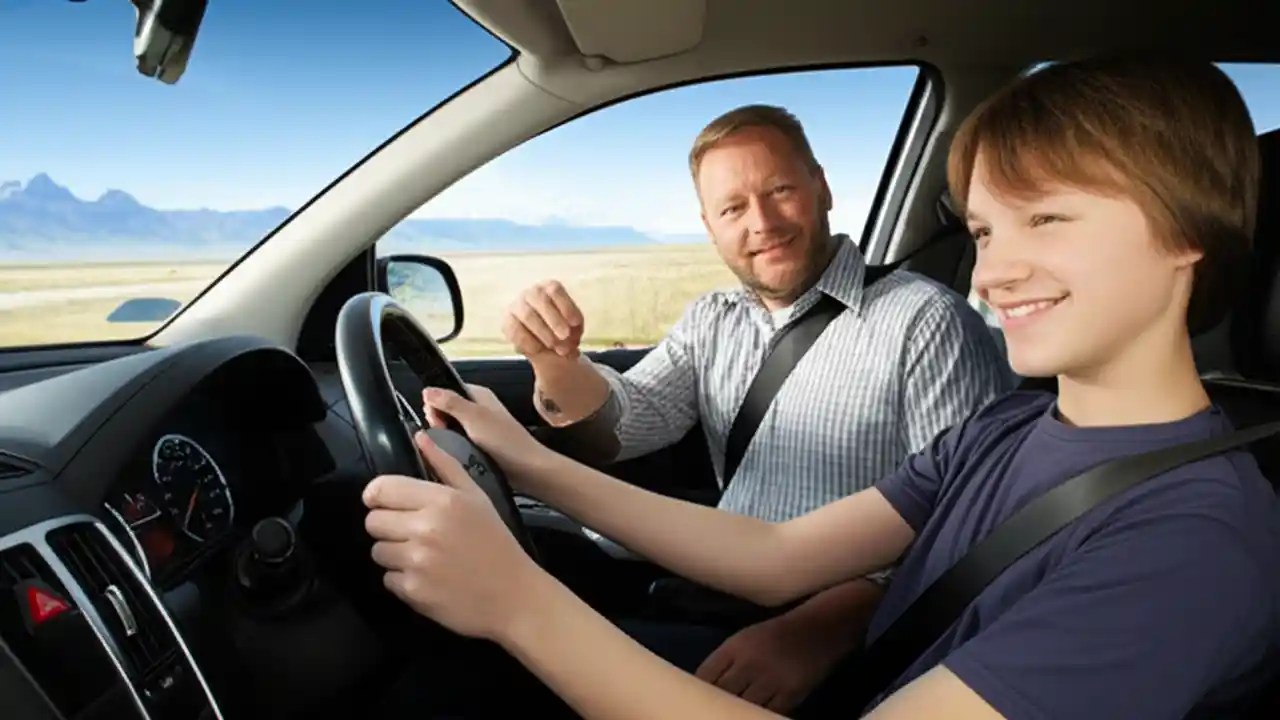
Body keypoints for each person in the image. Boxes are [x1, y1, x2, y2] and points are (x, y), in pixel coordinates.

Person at [364, 56, 1279, 719]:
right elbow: (775, 553)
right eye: (989, 232)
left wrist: (518, 604)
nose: (993, 276)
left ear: (1183, 232)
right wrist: (528, 460)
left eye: (1047, 218)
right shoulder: (1014, 424)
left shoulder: (1193, 546)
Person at [500, 103, 1012, 708]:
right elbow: (625, 424)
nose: (762, 222)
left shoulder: (925, 322)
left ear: (821, 187)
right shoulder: (712, 320)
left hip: (849, 632)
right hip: (714, 589)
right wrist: (554, 361)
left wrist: (823, 630)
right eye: (733, 208)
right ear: (709, 225)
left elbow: (969, 532)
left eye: (780, 190)